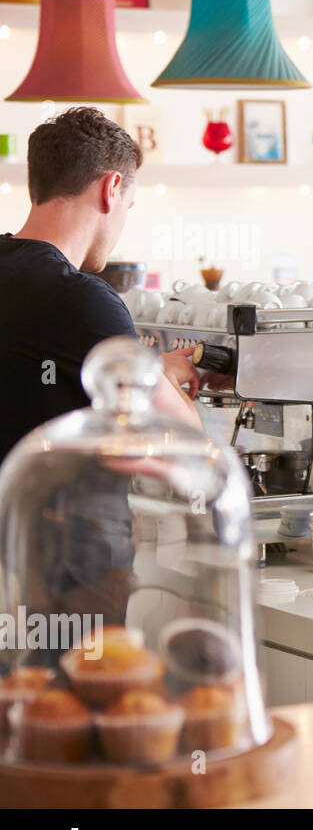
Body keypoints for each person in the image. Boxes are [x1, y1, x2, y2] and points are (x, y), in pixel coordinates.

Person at [0, 107, 200, 655]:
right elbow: (184, 434)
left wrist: (151, 371)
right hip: (67, 573)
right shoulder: (80, 296)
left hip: (10, 560)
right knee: (76, 727)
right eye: (129, 206)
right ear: (112, 189)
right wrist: (168, 384)